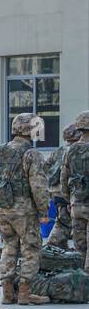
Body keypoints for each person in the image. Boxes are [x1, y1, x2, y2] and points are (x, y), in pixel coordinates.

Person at [0, 113, 52, 305]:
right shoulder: (31, 154)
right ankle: (25, 292)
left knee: (8, 247)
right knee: (31, 248)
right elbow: (38, 184)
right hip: (24, 210)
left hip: (2, 208)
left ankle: (7, 292)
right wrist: (44, 210)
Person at [61, 112, 89, 267]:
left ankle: (81, 283)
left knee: (80, 246)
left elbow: (63, 178)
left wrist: (69, 199)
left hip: (76, 204)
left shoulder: (71, 150)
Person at [46, 124, 78, 249]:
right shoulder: (78, 150)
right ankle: (53, 246)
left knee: (63, 220)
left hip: (56, 193)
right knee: (68, 223)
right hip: (71, 192)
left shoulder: (58, 151)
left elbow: (47, 167)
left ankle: (59, 248)